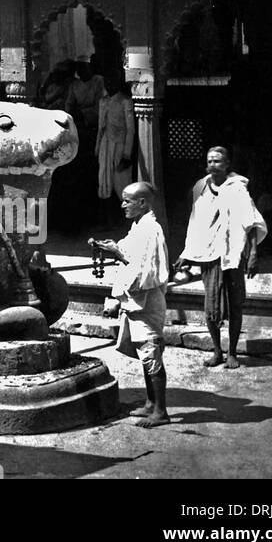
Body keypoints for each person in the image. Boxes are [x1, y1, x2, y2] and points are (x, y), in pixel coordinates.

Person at [176, 146, 267, 369]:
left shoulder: (238, 189)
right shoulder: (200, 188)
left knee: (235, 304)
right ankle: (217, 351)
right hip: (210, 255)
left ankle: (232, 352)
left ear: (227, 164)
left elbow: (251, 222)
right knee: (211, 305)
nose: (213, 165)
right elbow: (196, 225)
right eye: (209, 161)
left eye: (218, 161)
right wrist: (187, 254)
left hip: (233, 254)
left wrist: (254, 253)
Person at [91, 182, 170, 427]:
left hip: (147, 300)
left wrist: (119, 254)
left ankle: (161, 411)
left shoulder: (151, 230)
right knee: (144, 353)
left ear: (143, 203)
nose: (123, 205)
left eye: (128, 201)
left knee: (151, 351)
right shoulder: (139, 226)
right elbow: (127, 249)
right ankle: (150, 403)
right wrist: (110, 248)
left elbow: (146, 269)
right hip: (136, 300)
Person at [96, 80, 136, 226]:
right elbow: (101, 127)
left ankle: (129, 221)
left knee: (121, 181)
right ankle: (108, 221)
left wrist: (127, 154)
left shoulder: (125, 101)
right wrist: (97, 148)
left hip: (120, 145)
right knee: (104, 181)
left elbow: (130, 129)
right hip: (105, 145)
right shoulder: (103, 101)